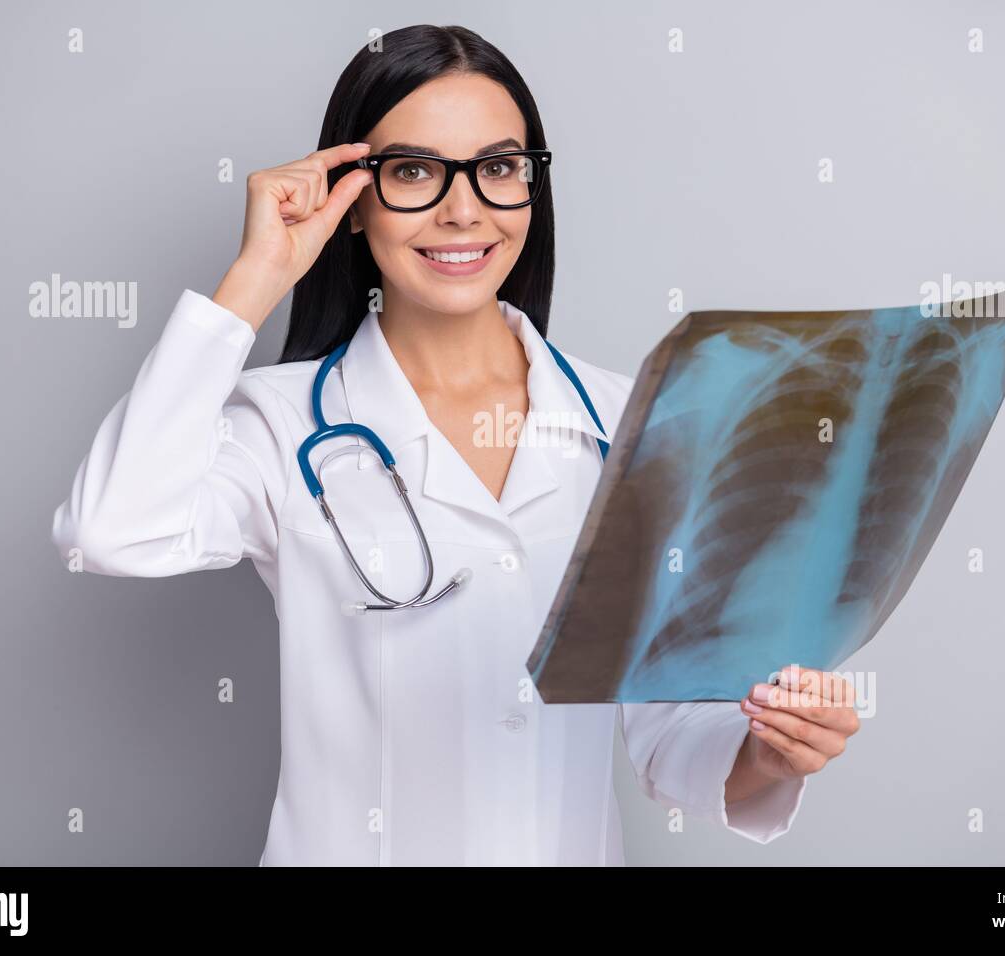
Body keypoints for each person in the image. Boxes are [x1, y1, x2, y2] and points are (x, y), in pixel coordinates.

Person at [50, 23, 859, 866]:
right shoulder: (283, 423)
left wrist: (765, 750)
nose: (463, 209)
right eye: (413, 172)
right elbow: (108, 531)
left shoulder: (634, 423)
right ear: (350, 200)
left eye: (499, 168)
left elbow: (666, 734)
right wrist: (254, 280)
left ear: (530, 190)